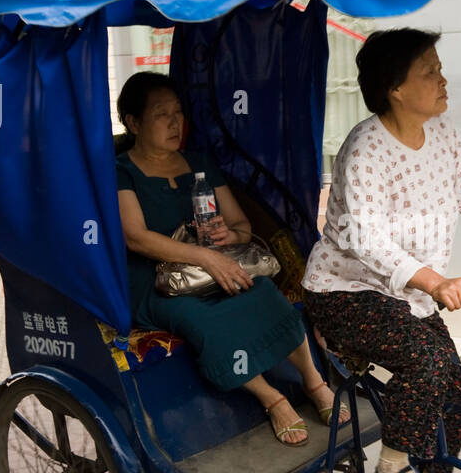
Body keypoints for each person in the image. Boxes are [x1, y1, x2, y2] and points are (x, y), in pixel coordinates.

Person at [302, 29, 461, 473]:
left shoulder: (443, 134)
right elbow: (367, 240)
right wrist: (436, 282)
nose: (442, 79)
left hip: (404, 296)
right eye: (429, 72)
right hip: (344, 293)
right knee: (427, 365)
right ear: (396, 89)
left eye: (439, 67)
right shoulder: (365, 149)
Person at [115, 72, 347, 446]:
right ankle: (272, 398)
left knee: (266, 296)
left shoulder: (199, 164)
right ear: (133, 122)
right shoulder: (121, 171)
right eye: (162, 114)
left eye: (178, 112)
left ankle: (313, 380)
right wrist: (206, 258)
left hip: (218, 267)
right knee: (203, 320)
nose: (176, 122)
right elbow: (136, 237)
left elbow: (241, 227)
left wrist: (227, 236)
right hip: (160, 284)